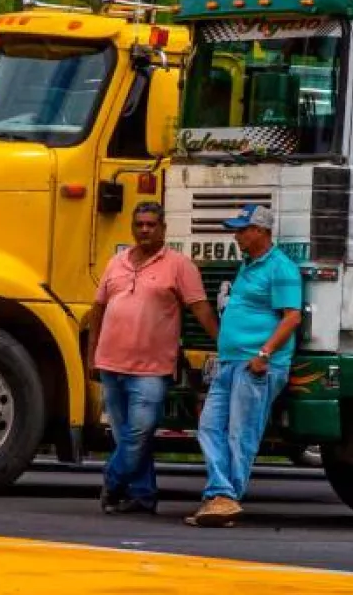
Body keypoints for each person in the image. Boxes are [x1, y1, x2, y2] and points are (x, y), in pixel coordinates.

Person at [89, 202, 218, 515]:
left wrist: (223, 344)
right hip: (110, 363)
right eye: (139, 224)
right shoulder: (116, 262)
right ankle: (143, 496)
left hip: (152, 367)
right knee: (125, 435)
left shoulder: (179, 265)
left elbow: (199, 308)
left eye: (151, 224)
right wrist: (91, 356)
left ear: (163, 228)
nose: (144, 230)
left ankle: (113, 479)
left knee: (140, 432)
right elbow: (98, 310)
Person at [185, 204, 302, 528]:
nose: (236, 235)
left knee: (241, 433)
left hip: (256, 367)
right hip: (230, 363)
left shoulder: (281, 268)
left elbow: (292, 317)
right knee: (209, 426)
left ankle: (224, 499)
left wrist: (264, 354)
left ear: (261, 231)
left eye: (242, 229)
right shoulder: (248, 265)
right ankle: (221, 496)